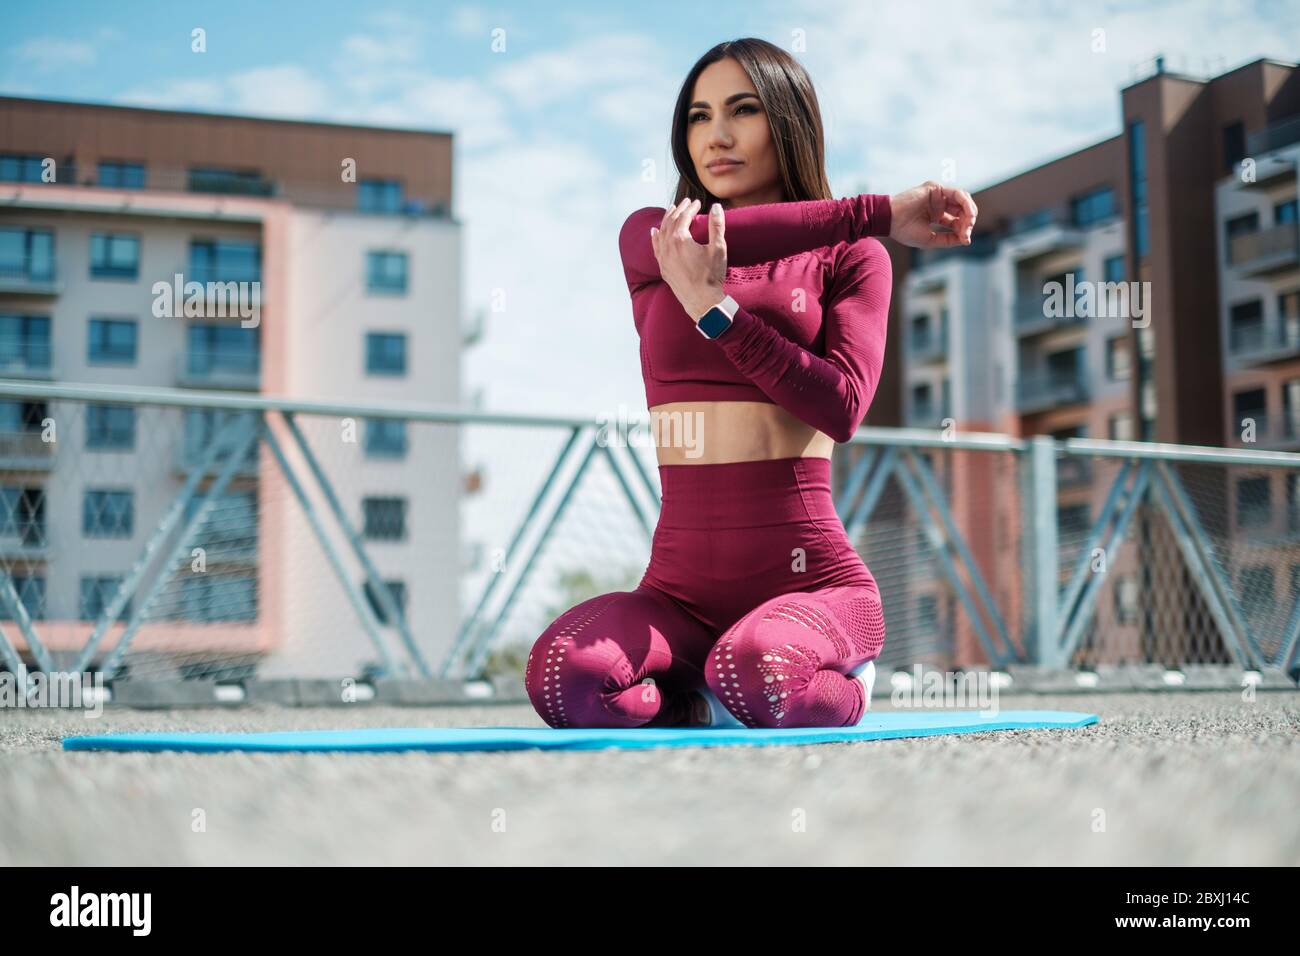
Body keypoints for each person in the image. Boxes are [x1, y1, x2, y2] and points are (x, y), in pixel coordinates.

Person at [525, 37, 977, 728]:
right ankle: (702, 693)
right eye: (699, 117)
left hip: (814, 583)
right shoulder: (659, 240)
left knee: (759, 670)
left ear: (789, 123)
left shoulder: (851, 258)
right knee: (567, 680)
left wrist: (719, 315)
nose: (718, 135)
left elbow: (844, 407)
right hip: (680, 599)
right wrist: (882, 209)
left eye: (743, 110)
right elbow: (718, 236)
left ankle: (840, 680)